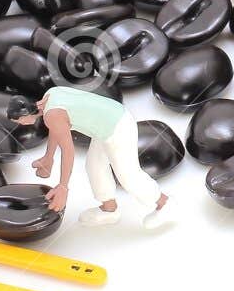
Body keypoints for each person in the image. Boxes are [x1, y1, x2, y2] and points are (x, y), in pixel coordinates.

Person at [16, 86, 172, 230]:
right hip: (105, 124)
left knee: (127, 175)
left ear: (24, 116)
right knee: (94, 166)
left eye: (18, 121)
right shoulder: (49, 96)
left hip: (118, 126)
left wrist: (63, 187)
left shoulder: (52, 115)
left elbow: (68, 152)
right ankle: (109, 210)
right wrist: (48, 158)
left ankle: (165, 204)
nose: (21, 124)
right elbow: (56, 130)